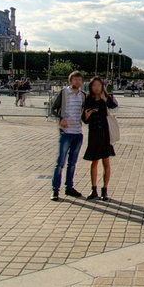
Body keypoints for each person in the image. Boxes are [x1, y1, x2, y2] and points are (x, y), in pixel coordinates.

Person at [49, 71, 86, 200]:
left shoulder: (82, 96)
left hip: (78, 133)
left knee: (72, 163)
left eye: (79, 80)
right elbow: (52, 108)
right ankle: (55, 189)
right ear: (70, 81)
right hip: (66, 133)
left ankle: (69, 187)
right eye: (75, 80)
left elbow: (85, 112)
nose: (77, 82)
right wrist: (60, 119)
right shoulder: (64, 93)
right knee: (60, 162)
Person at [81, 76, 118, 200]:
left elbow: (114, 105)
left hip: (105, 134)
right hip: (94, 133)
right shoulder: (88, 100)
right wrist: (87, 115)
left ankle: (105, 189)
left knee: (106, 161)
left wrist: (105, 99)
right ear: (91, 87)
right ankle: (94, 189)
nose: (96, 88)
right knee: (94, 162)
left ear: (102, 86)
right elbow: (85, 120)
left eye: (99, 85)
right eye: (94, 85)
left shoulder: (105, 98)